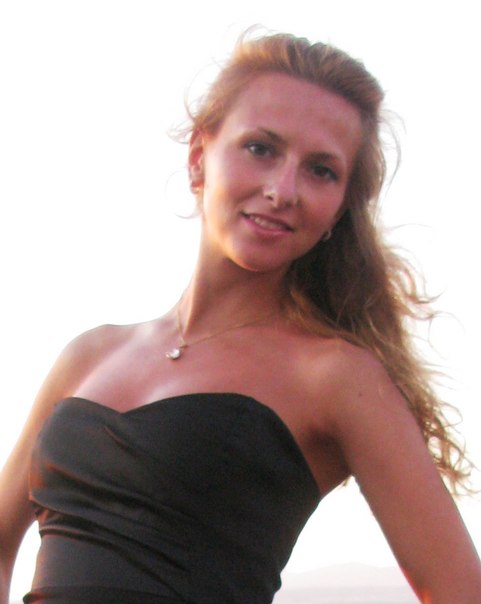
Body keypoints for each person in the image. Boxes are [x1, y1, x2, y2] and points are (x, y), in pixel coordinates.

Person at [1, 30, 480, 604]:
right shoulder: (89, 354)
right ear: (199, 157)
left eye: (321, 170)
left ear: (339, 210)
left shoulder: (334, 376)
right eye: (260, 148)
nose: (283, 190)